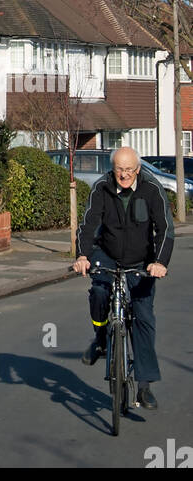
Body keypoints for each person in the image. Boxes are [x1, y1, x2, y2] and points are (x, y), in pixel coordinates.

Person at [73, 145, 172, 410]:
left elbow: (165, 229)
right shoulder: (101, 188)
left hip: (142, 260)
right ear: (113, 168)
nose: (125, 175)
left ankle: (144, 387)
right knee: (99, 292)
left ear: (138, 169)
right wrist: (82, 255)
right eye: (120, 169)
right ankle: (102, 339)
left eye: (129, 170)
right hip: (107, 254)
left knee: (143, 317)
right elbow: (88, 223)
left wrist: (159, 262)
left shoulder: (152, 190)